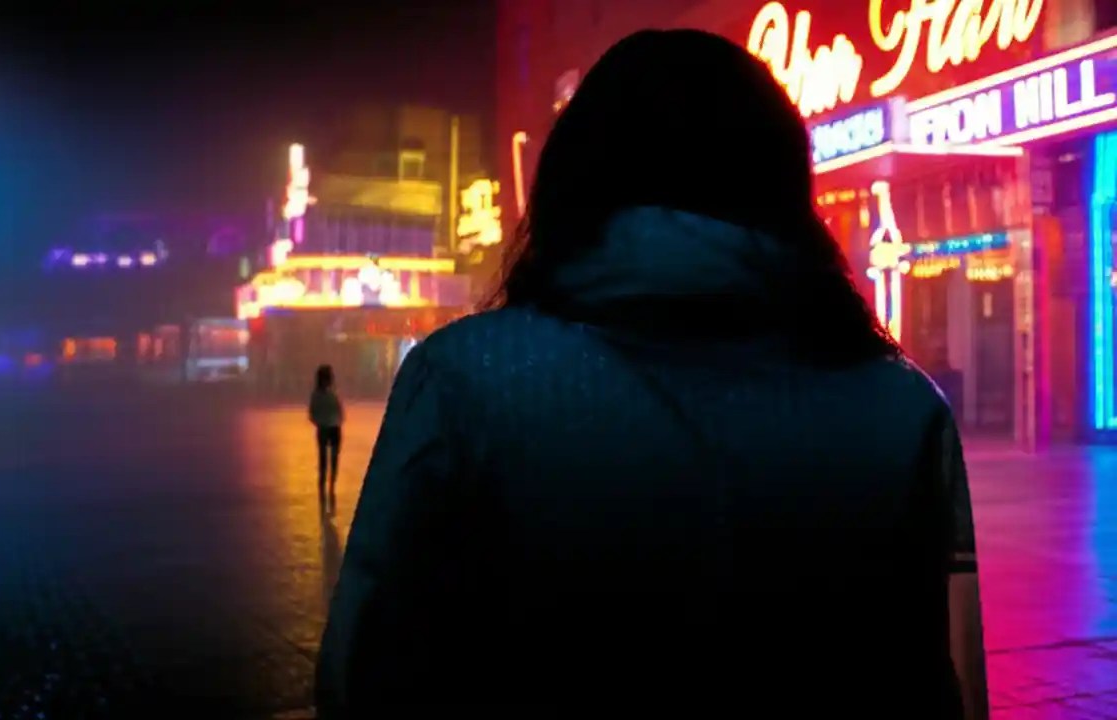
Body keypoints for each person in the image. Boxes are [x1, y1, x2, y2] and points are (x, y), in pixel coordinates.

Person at [317, 29, 987, 720]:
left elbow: (365, 675)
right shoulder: (902, 411)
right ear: (785, 185)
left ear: (573, 180)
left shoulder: (463, 383)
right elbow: (940, 687)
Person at [309, 364, 344, 511]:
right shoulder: (319, 395)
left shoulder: (331, 393)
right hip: (326, 428)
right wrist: (322, 422)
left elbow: (339, 409)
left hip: (333, 428)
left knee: (332, 459)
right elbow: (312, 413)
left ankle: (330, 485)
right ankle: (325, 486)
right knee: (325, 460)